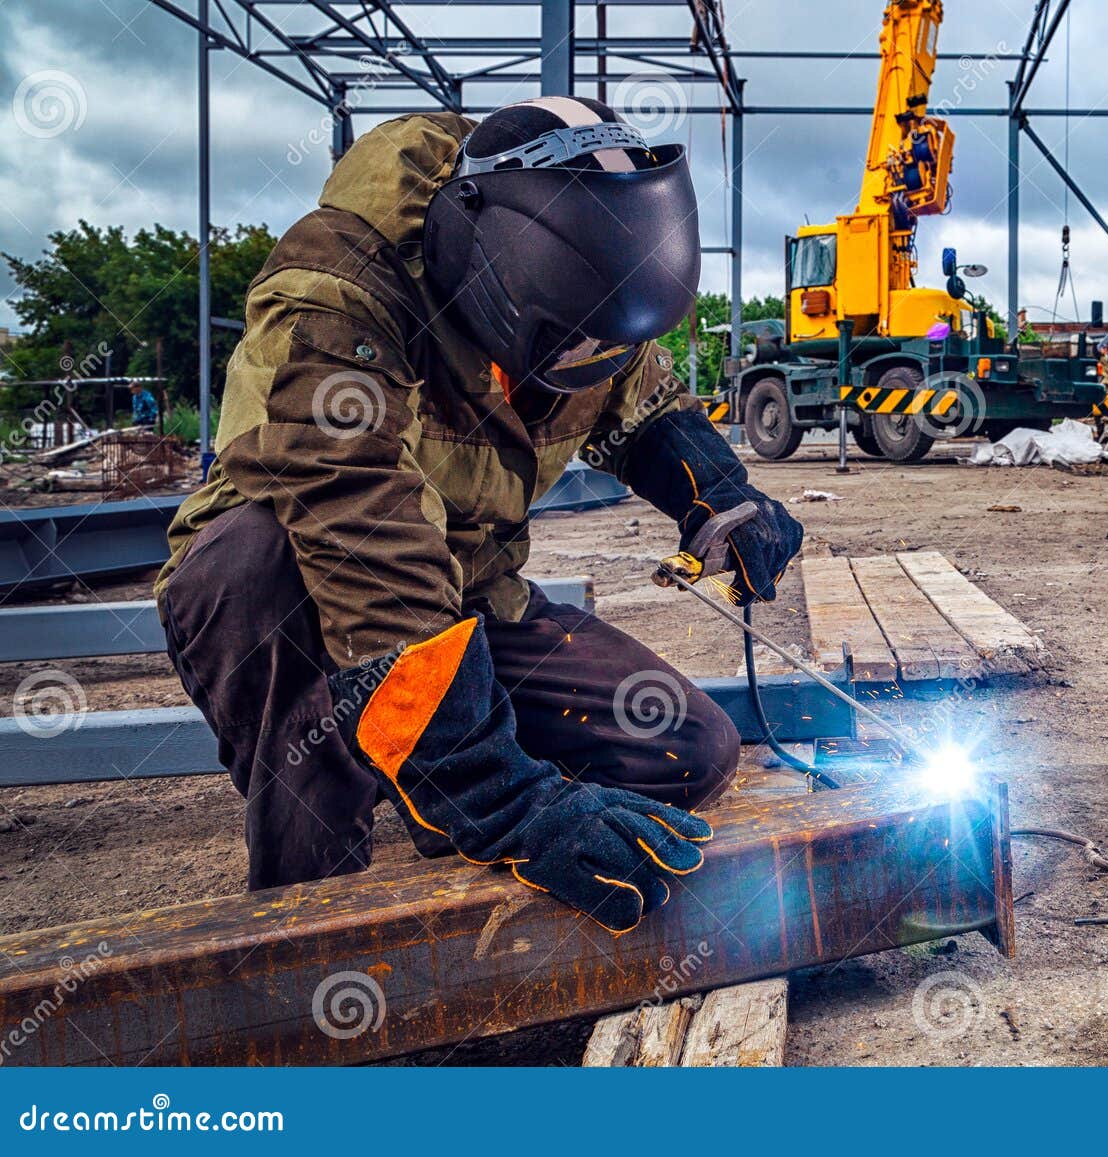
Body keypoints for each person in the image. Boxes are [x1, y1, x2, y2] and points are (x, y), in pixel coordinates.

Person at [155, 98, 802, 934]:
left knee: (689, 750)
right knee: (253, 565)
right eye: (568, 343)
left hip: (467, 589)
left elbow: (641, 404)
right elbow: (360, 534)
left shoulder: (577, 282)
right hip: (307, 591)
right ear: (488, 262)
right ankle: (315, 915)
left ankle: (434, 778)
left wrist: (719, 494)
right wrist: (499, 793)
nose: (585, 362)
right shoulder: (340, 287)